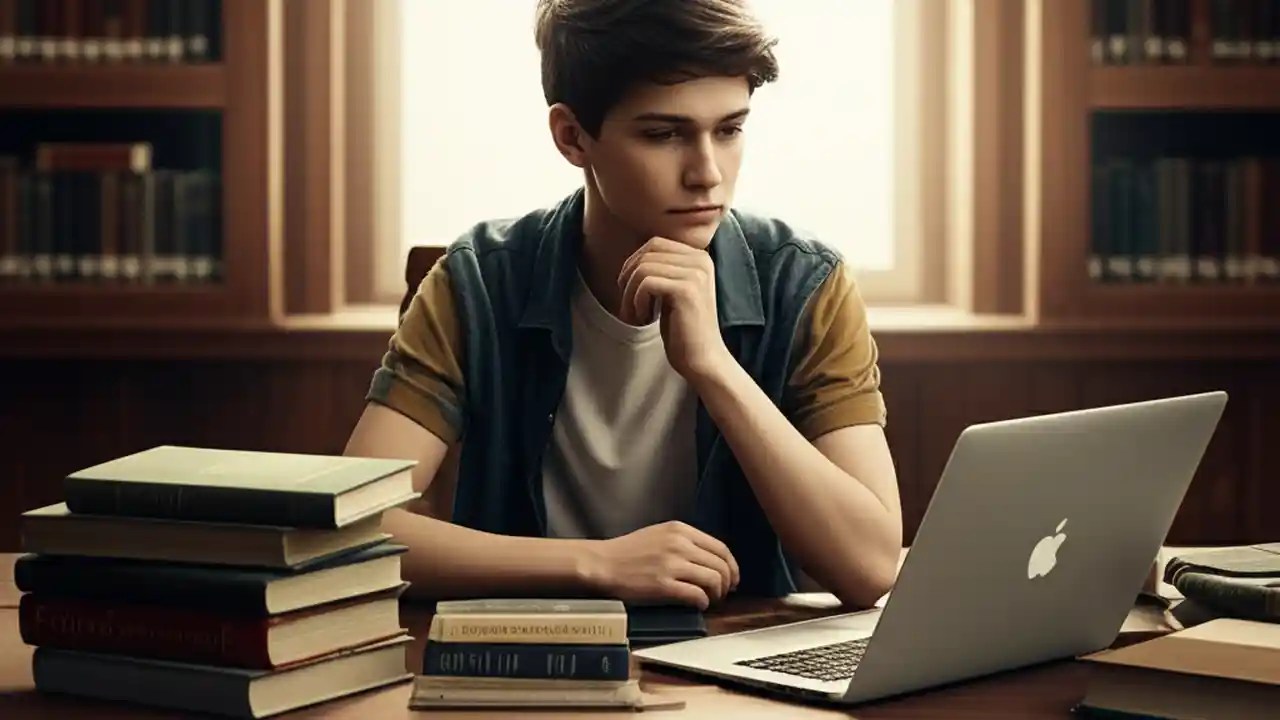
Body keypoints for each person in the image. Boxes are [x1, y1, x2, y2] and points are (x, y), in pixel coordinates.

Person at [343, 0, 902, 611]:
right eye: (664, 135)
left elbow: (870, 565)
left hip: (730, 672)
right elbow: (354, 530)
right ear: (572, 137)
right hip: (529, 662)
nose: (707, 173)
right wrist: (595, 565)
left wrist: (714, 366)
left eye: (730, 129)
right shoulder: (479, 280)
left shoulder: (804, 282)